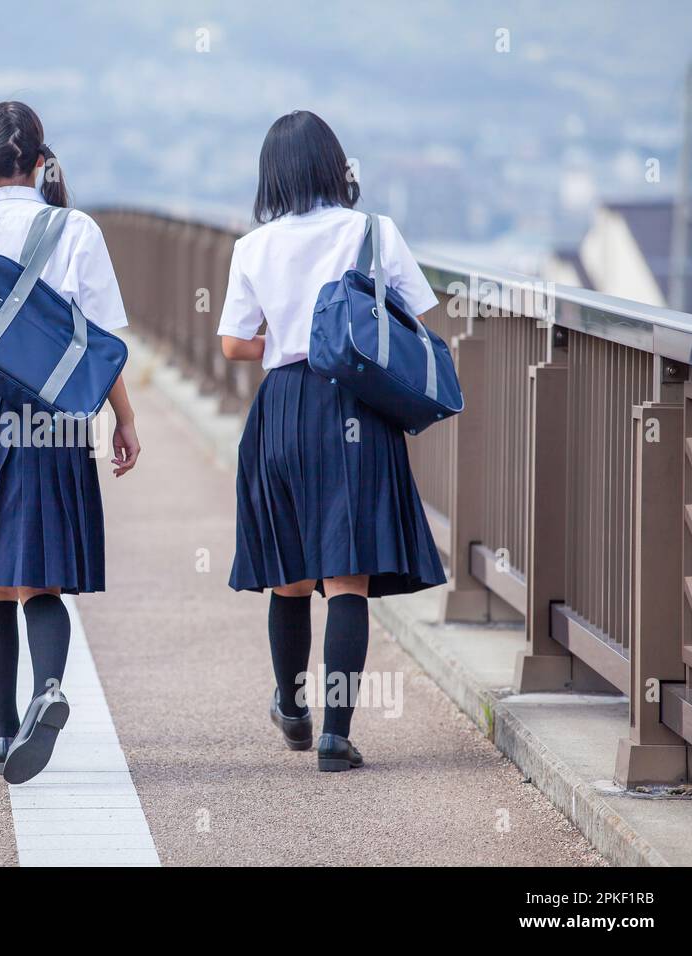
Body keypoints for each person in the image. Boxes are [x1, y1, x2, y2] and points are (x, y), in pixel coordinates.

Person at [217, 110, 446, 772]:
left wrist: (288, 338)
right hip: (353, 405)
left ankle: (291, 706)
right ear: (334, 166)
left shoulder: (253, 246)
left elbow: (233, 342)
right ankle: (335, 736)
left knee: (288, 578)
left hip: (282, 404)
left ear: (273, 176)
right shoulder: (373, 232)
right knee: (347, 578)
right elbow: (418, 320)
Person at [0, 101, 141, 784]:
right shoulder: (78, 229)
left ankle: (0, 731)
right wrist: (125, 420)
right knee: (42, 578)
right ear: (45, 160)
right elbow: (103, 345)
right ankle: (49, 688)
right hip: (55, 410)